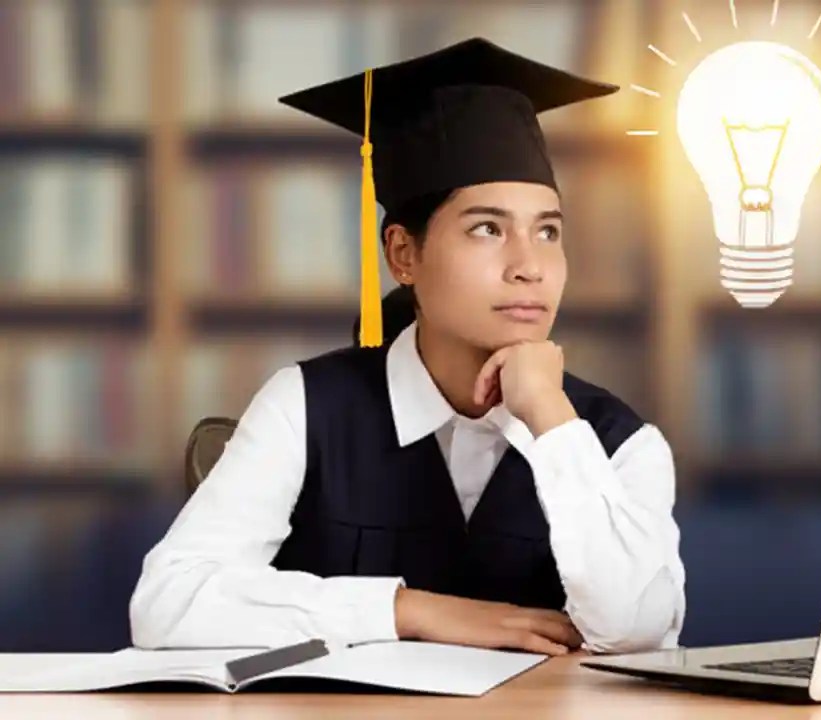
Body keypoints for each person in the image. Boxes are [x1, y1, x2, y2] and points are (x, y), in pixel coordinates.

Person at [129, 38, 685, 656]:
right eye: (487, 228)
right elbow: (167, 605)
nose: (530, 266)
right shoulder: (307, 408)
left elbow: (638, 632)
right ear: (402, 255)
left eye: (548, 231)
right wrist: (407, 610)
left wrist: (552, 421)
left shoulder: (618, 441)